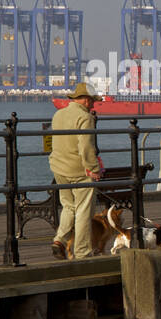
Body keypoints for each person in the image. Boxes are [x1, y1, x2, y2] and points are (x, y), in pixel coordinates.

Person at [49, 82, 103, 259]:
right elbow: (85, 146)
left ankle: (60, 240)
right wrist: (93, 168)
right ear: (86, 100)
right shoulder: (85, 118)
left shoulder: (58, 114)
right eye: (93, 101)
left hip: (58, 167)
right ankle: (82, 252)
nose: (94, 105)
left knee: (68, 206)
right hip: (79, 170)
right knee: (83, 210)